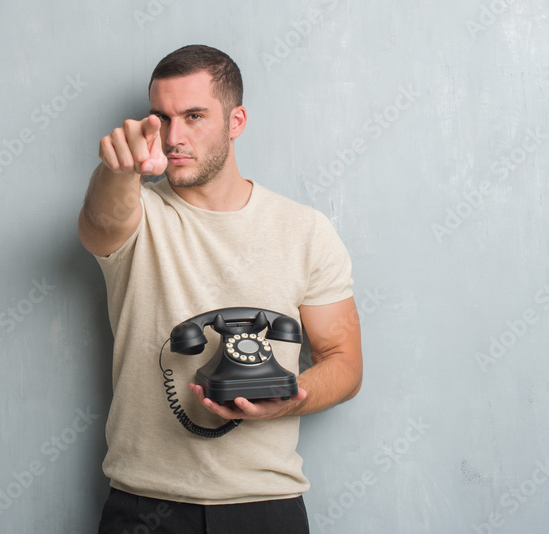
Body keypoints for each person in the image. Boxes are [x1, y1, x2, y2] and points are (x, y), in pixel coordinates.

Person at [78, 44, 363, 533]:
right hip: (144, 503)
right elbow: (100, 222)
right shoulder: (138, 213)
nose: (174, 137)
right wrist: (117, 170)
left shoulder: (305, 230)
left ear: (236, 122)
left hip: (265, 504)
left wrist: (292, 397)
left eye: (194, 116)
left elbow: (345, 363)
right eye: (161, 119)